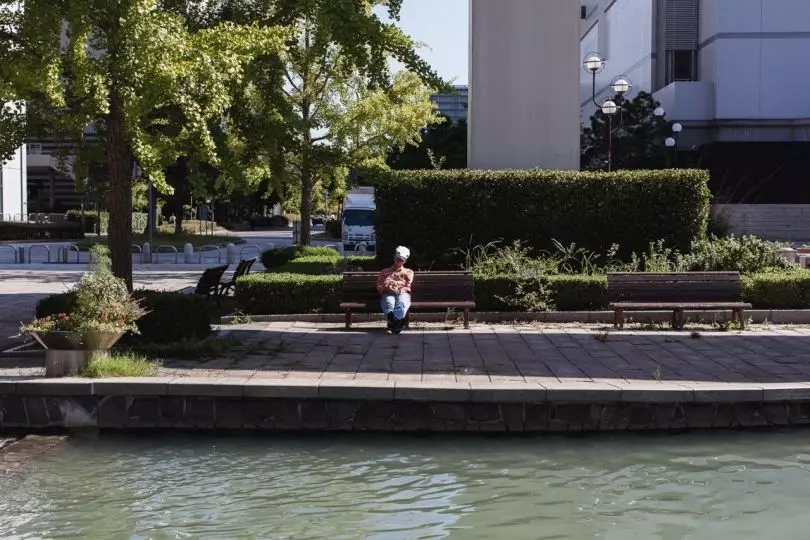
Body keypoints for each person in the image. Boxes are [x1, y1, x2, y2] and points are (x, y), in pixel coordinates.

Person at [376, 246, 414, 334]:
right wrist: (386, 288)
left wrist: (396, 286)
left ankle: (393, 323)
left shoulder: (409, 272)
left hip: (402, 292)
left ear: (405, 261)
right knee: (389, 301)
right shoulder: (384, 271)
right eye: (398, 259)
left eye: (402, 260)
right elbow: (379, 285)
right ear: (394, 257)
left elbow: (408, 285)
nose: (399, 261)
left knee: (401, 304)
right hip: (388, 292)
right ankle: (396, 322)